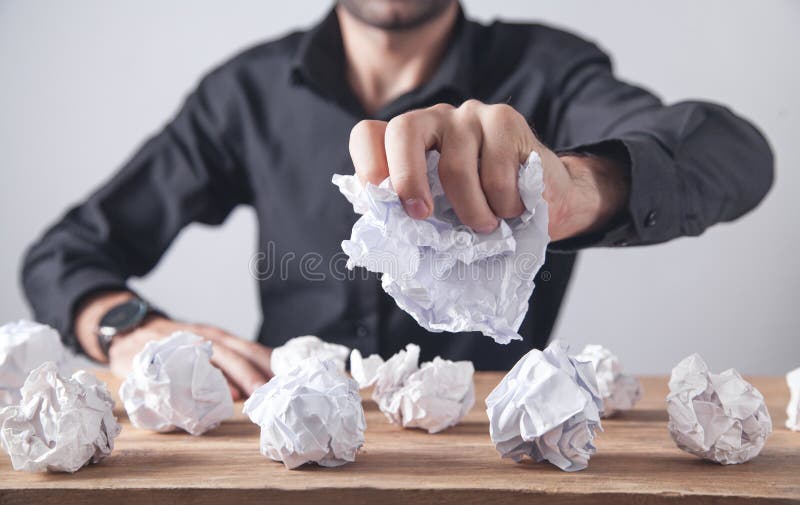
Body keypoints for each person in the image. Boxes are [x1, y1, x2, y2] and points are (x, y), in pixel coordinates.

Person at [22, 0, 773, 400]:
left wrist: (580, 186)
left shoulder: (550, 69)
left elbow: (733, 152)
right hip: (284, 458)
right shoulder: (244, 93)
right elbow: (66, 252)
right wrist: (125, 326)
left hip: (497, 460)